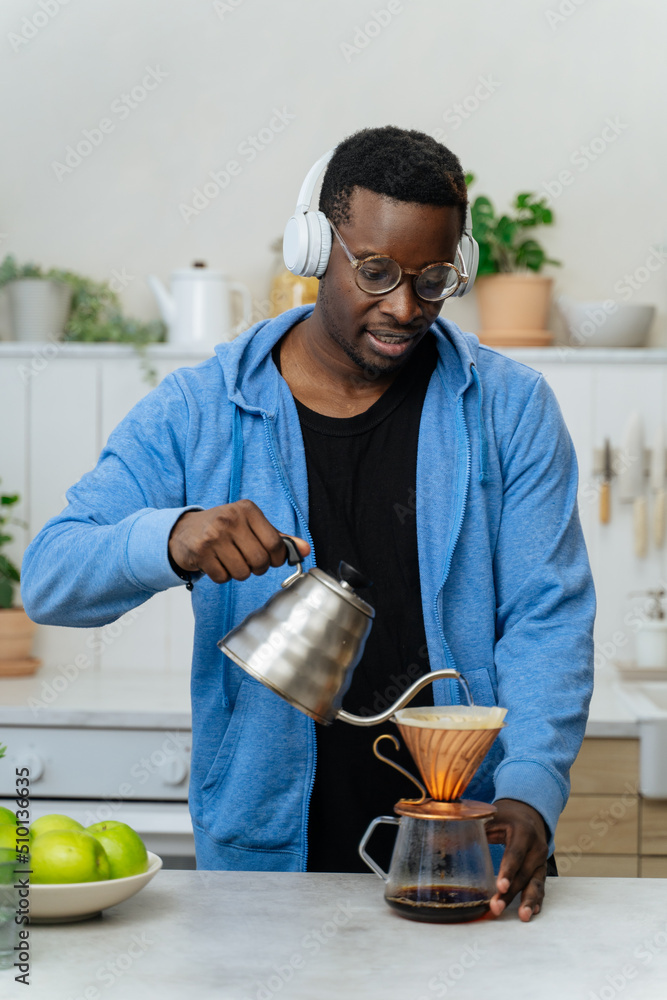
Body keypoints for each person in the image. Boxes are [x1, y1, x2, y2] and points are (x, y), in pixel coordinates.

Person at [21, 125, 595, 922]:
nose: (403, 306)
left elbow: (546, 617)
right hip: (268, 867)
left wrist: (531, 788)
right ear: (311, 248)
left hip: (472, 848)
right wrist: (172, 537)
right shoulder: (200, 411)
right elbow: (51, 575)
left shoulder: (509, 408)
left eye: (431, 280)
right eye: (375, 271)